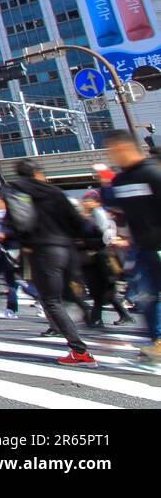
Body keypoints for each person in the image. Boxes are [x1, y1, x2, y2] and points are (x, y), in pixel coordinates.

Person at [7, 160, 96, 367]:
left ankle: (79, 350)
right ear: (37, 172)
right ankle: (91, 320)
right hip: (66, 249)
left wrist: (25, 242)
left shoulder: (17, 190)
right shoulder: (54, 191)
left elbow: (18, 222)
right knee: (66, 293)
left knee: (51, 301)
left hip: (42, 250)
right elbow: (77, 221)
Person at [100, 131, 161, 361]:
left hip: (157, 245)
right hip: (143, 246)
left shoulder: (152, 173)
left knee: (152, 295)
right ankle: (158, 340)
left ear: (123, 147)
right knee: (148, 296)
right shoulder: (121, 180)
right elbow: (111, 202)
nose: (111, 154)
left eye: (112, 149)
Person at [78, 189, 132, 328]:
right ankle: (122, 315)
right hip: (96, 256)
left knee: (101, 288)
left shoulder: (98, 213)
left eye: (89, 200)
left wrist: (87, 242)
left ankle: (96, 319)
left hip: (100, 256)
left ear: (96, 201)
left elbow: (105, 236)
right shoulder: (92, 214)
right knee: (104, 290)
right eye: (85, 200)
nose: (86, 202)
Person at [0, 193, 41, 320]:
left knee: (15, 280)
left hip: (13, 249)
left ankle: (37, 300)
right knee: (13, 281)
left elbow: (15, 232)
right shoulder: (3, 214)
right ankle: (13, 308)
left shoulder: (13, 214)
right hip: (8, 249)